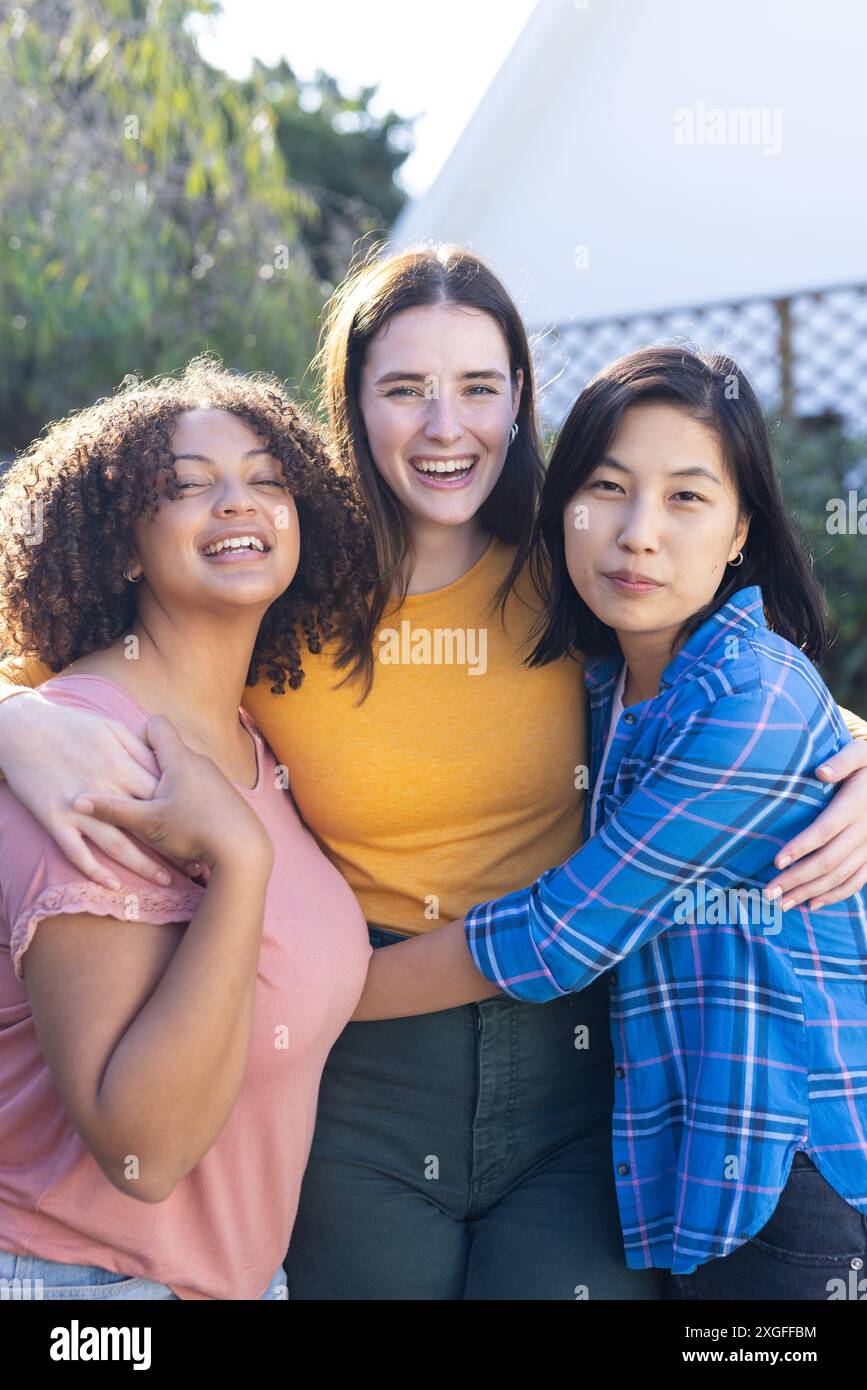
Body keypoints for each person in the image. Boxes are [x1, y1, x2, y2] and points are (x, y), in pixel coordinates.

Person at [2, 248, 867, 1301]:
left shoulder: (581, 570)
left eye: (479, 388)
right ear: (353, 403)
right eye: (404, 388)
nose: (444, 425)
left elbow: (738, 701)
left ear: (518, 404)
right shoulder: (281, 579)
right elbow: (87, 655)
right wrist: (13, 721)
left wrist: (854, 760)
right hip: (356, 1067)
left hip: (578, 1065)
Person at [351, 346, 867, 1300]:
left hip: (788, 1181)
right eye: (607, 488)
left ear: (740, 528)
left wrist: (308, 997)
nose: (637, 535)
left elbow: (559, 936)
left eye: (685, 498)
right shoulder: (601, 685)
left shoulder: (747, 703)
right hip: (679, 1169)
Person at [0, 357, 372, 1299]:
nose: (238, 503)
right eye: (188, 486)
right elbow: (144, 1152)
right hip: (87, 1292)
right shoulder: (92, 763)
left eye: (266, 479)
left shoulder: (248, 742)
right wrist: (238, 866)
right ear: (123, 545)